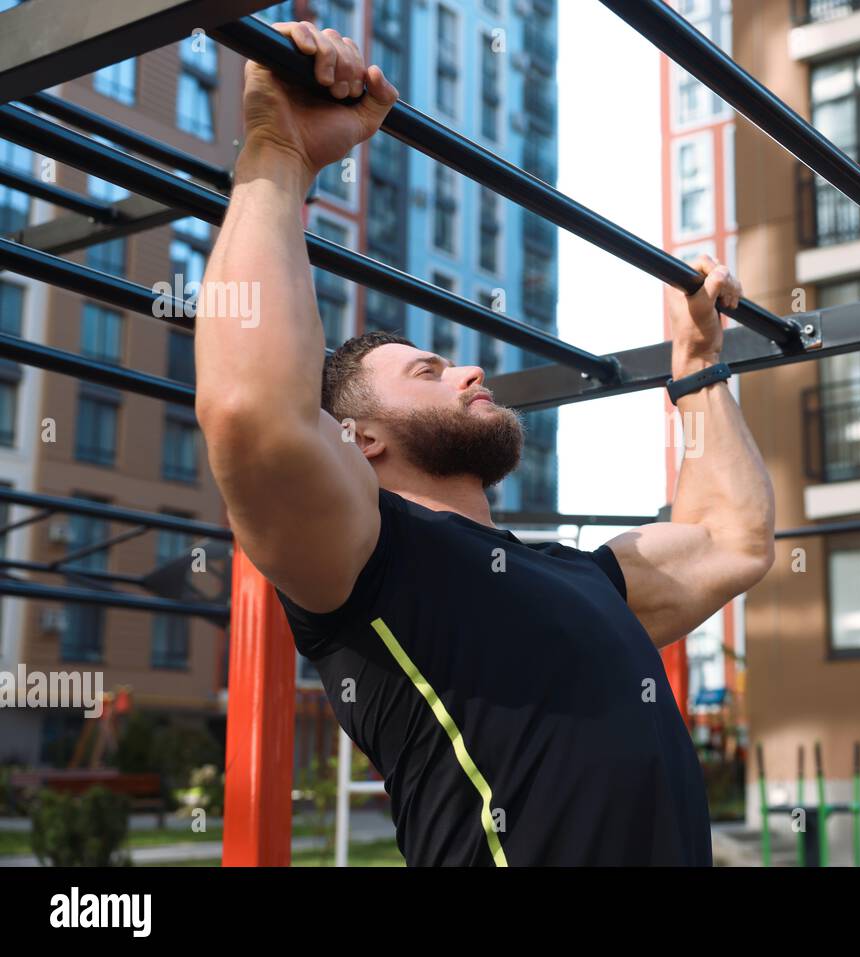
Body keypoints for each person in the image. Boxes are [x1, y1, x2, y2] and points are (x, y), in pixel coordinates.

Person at [195, 21, 775, 866]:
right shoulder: (368, 565)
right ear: (357, 440)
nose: (468, 369)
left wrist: (695, 364)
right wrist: (277, 151)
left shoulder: (586, 577)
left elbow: (735, 538)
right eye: (427, 369)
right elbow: (251, 408)